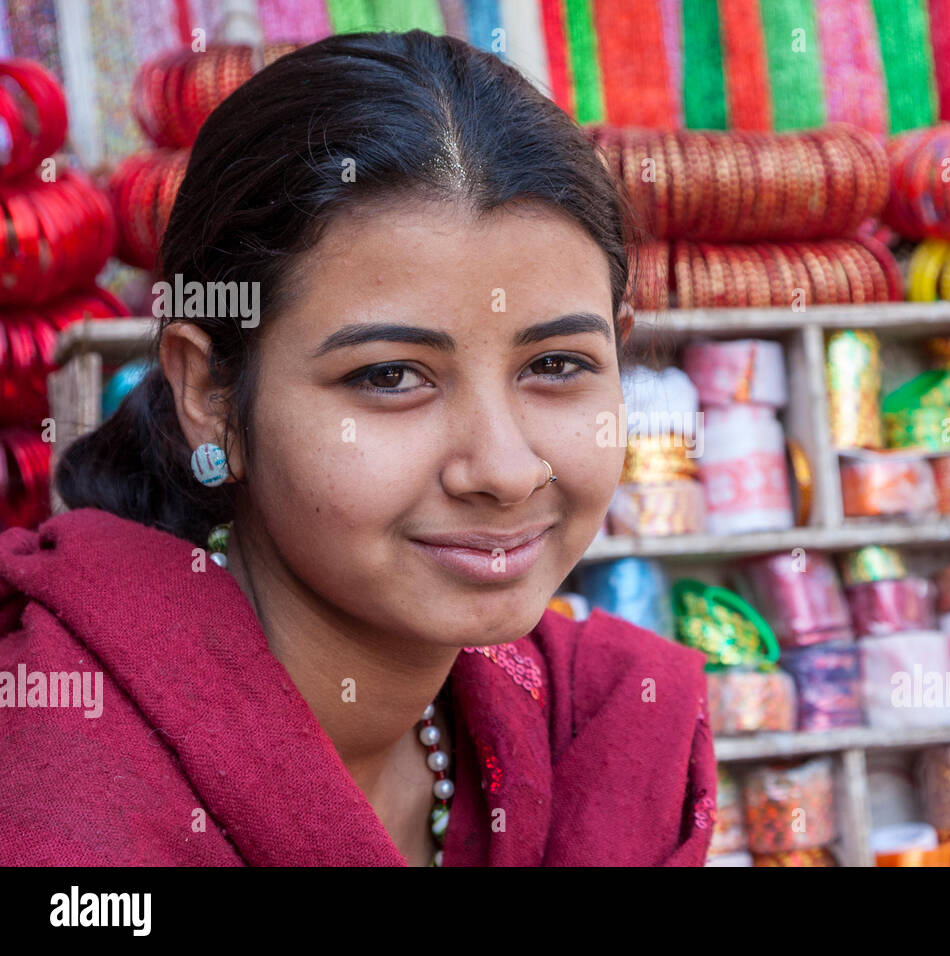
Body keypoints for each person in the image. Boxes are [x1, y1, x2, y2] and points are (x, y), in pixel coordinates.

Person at [0, 30, 715, 866]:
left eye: (557, 365)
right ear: (210, 394)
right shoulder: (59, 795)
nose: (505, 470)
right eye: (389, 377)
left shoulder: (596, 721)